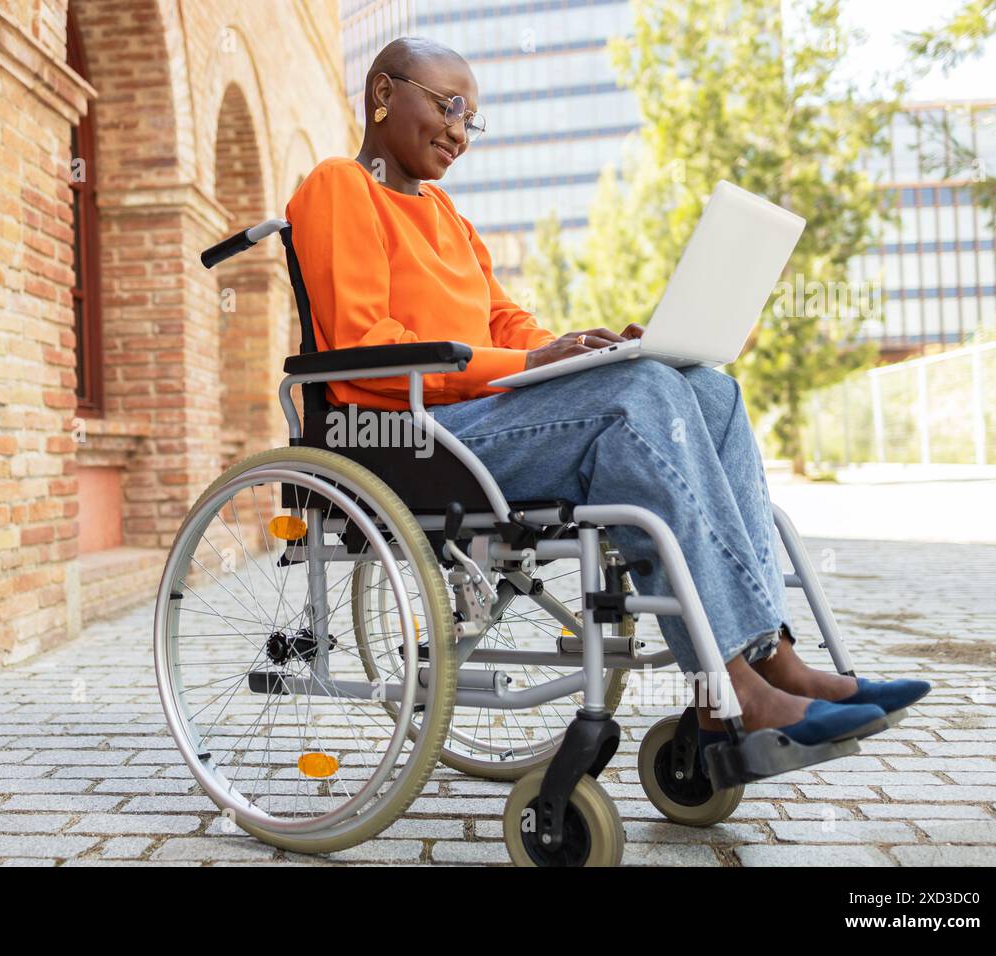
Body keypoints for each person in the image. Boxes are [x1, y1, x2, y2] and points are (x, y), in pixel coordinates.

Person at [284, 36, 928, 747]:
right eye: (448, 107)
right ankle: (734, 683)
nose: (461, 133)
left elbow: (506, 321)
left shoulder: (448, 218)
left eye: (472, 119)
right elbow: (362, 350)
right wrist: (532, 359)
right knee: (638, 399)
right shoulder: (340, 186)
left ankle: (770, 658)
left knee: (709, 391)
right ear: (381, 94)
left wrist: (579, 351)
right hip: (410, 434)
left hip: (482, 419)